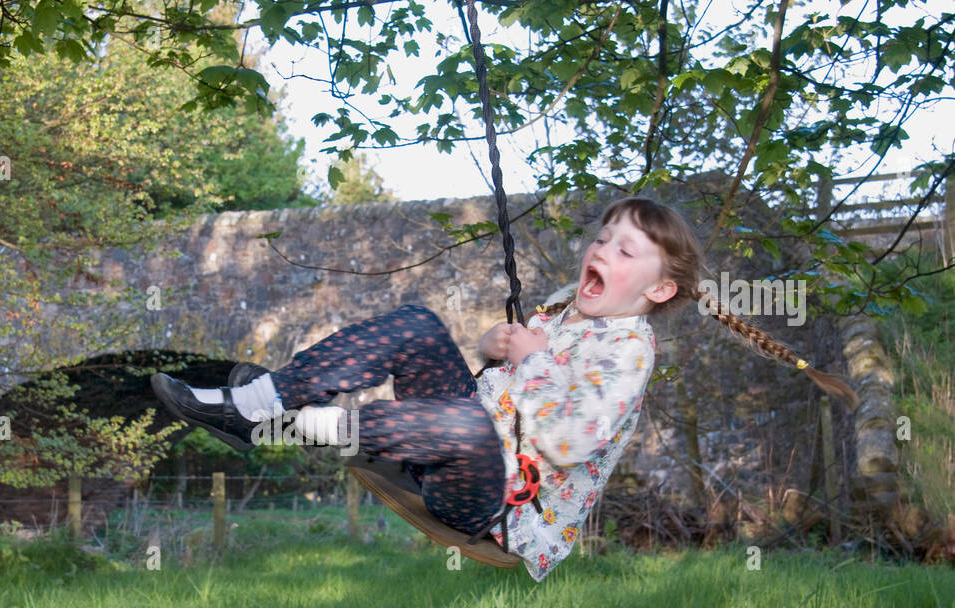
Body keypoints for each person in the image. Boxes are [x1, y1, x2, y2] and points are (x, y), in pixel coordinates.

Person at [151, 197, 859, 582]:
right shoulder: (561, 304)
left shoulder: (631, 350)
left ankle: (296, 429)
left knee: (468, 431)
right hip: (462, 442)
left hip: (500, 510)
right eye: (602, 236)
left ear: (660, 287)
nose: (600, 251)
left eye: (624, 249)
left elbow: (569, 435)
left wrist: (539, 358)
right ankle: (256, 407)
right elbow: (505, 387)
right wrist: (495, 352)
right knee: (421, 325)